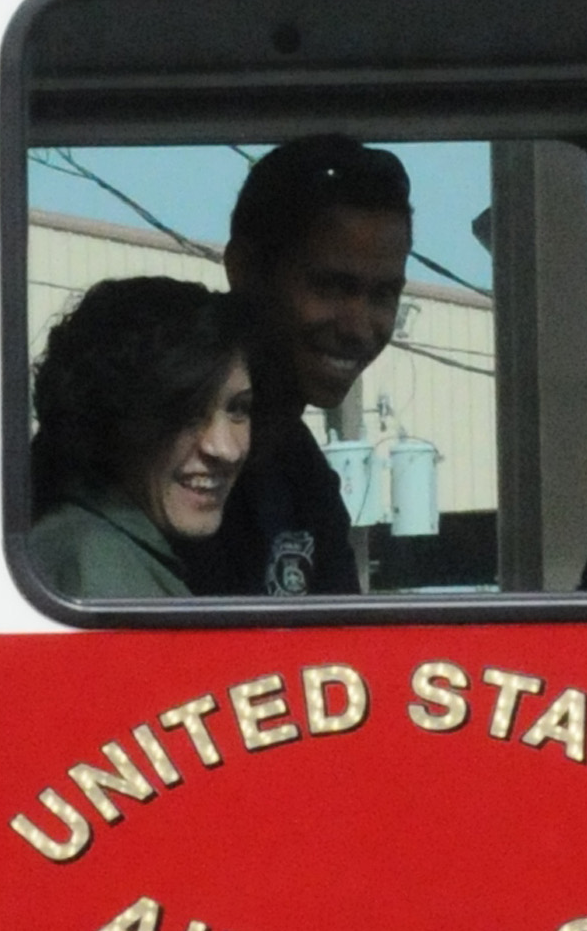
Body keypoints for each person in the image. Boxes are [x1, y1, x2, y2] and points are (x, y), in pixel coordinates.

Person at [197, 137, 413, 602]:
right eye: (331, 287)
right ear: (245, 269)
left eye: (384, 295)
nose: (358, 327)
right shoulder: (175, 455)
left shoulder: (297, 463)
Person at [26, 276, 253, 604]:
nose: (227, 449)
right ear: (112, 419)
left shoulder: (112, 547)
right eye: (187, 412)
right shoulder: (96, 562)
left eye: (238, 409)